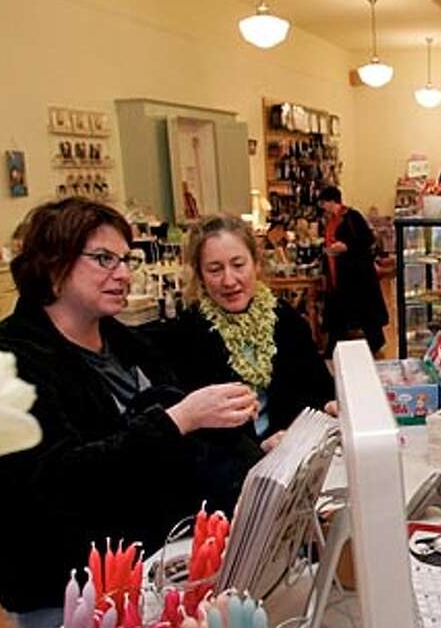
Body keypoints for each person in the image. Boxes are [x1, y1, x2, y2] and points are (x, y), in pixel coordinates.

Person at [0, 198, 262, 628]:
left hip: (146, 568)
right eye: (104, 259)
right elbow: (60, 479)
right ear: (53, 263)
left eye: (127, 260)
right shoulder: (5, 362)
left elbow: (171, 434)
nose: (123, 274)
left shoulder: (122, 342)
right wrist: (179, 419)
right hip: (64, 590)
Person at [153, 214, 335, 451]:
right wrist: (258, 449)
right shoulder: (185, 335)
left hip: (291, 451)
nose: (229, 281)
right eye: (215, 270)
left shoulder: (286, 319)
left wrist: (327, 407)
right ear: (200, 275)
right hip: (231, 466)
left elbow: (318, 389)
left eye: (238, 265)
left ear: (256, 264)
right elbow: (193, 435)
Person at [317, 185, 388, 356]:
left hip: (356, 273)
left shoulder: (352, 216)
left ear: (331, 201)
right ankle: (334, 346)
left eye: (324, 203)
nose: (323, 207)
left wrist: (347, 246)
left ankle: (374, 342)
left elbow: (367, 239)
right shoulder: (331, 220)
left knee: (364, 309)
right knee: (340, 310)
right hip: (339, 272)